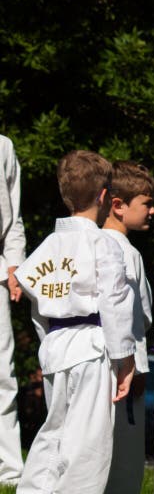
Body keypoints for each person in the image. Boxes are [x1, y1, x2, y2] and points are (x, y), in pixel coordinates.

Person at [15, 150, 136, 494]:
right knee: (88, 441)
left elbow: (36, 301)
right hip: (93, 346)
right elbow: (115, 302)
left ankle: (34, 489)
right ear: (103, 197)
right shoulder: (102, 243)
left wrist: (47, 342)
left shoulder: (50, 245)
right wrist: (123, 358)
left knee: (55, 430)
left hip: (55, 347)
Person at [102, 161, 154, 494]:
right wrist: (139, 367)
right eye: (146, 203)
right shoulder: (125, 252)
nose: (153, 211)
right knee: (126, 454)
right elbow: (133, 316)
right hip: (127, 365)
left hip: (102, 361)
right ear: (118, 206)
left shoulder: (93, 246)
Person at [0, 135, 25, 487]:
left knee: (2, 373)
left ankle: (8, 468)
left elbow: (13, 215)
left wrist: (15, 266)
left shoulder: (3, 146)